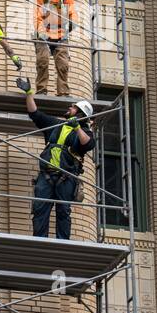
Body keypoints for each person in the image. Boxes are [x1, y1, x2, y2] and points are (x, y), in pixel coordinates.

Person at [17, 76, 93, 240]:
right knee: (40, 209)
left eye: (73, 108)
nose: (69, 108)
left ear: (80, 113)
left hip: (66, 178)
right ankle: (39, 240)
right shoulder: (56, 124)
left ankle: (63, 242)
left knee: (63, 212)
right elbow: (35, 114)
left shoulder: (84, 132)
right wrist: (29, 92)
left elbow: (87, 144)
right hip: (46, 176)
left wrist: (77, 127)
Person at [34, 0, 76, 97]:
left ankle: (63, 92)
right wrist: (41, 32)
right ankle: (41, 90)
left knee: (63, 64)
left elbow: (72, 12)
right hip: (44, 33)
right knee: (43, 61)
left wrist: (72, 23)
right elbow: (37, 16)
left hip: (61, 33)